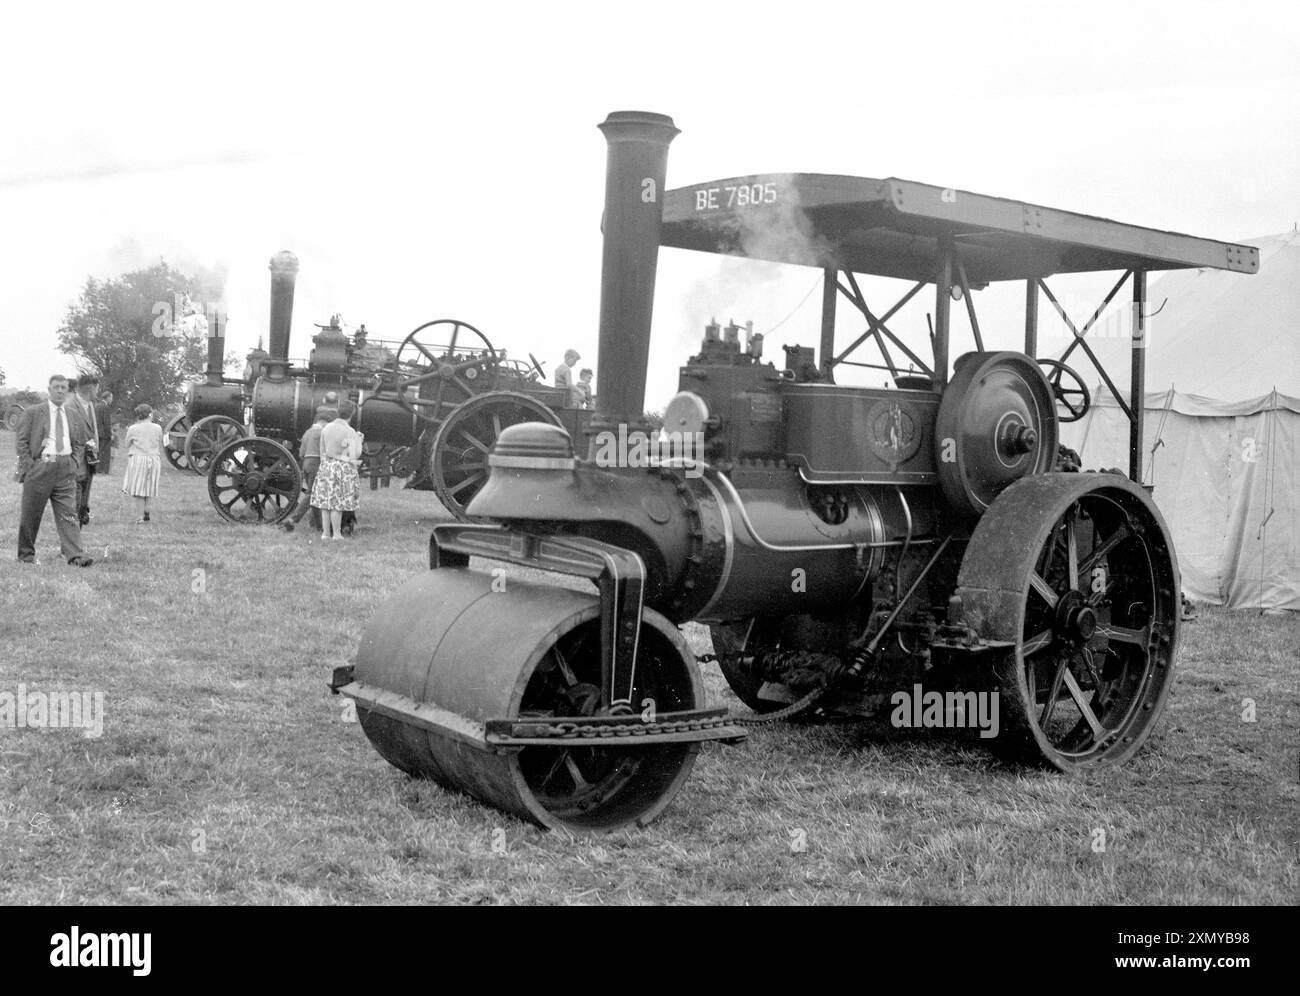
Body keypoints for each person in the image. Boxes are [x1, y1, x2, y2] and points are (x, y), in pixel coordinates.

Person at [14, 374, 93, 566]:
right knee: (31, 514)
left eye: (63, 388)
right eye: (56, 387)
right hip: (40, 468)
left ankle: (75, 556)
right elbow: (21, 441)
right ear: (49, 389)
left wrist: (74, 462)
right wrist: (30, 466)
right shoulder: (34, 412)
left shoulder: (73, 414)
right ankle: (26, 556)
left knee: (69, 514)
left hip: (65, 469)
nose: (59, 391)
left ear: (68, 391)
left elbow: (80, 442)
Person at [311, 401, 360, 540]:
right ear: (352, 414)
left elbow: (322, 450)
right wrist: (359, 440)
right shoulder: (349, 431)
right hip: (342, 468)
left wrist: (327, 464)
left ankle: (325, 533)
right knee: (337, 504)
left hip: (326, 466)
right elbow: (354, 454)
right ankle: (337, 534)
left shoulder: (326, 428)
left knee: (325, 503)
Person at [65, 373, 107, 526]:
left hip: (89, 464)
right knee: (73, 508)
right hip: (74, 465)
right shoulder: (69, 407)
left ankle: (75, 545)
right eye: (97, 389)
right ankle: (69, 548)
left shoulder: (90, 405)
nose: (98, 392)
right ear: (91, 388)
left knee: (82, 506)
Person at [281, 407, 332, 533]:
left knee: (315, 494)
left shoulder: (307, 432)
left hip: (306, 464)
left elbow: (301, 453)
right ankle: (292, 520)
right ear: (324, 422)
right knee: (313, 494)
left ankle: (317, 525)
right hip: (316, 463)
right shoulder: (322, 433)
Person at [121, 403, 164, 522]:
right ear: (150, 414)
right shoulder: (158, 428)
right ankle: (147, 510)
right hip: (154, 458)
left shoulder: (133, 428)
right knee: (150, 486)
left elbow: (126, 444)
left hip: (138, 459)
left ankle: (140, 516)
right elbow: (160, 440)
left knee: (138, 488)